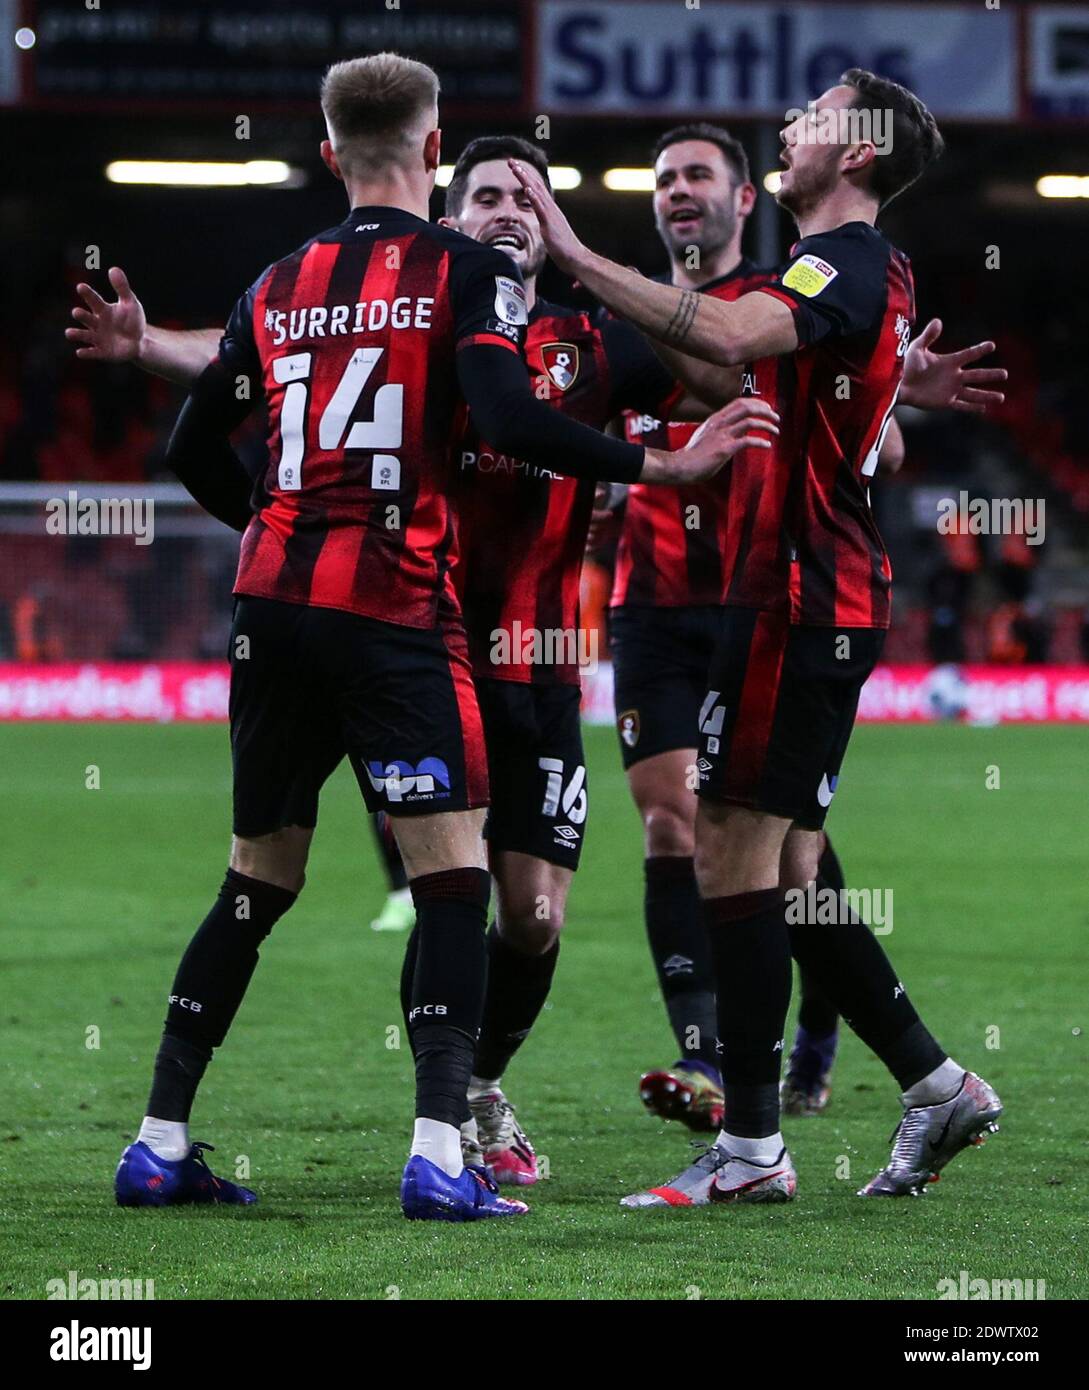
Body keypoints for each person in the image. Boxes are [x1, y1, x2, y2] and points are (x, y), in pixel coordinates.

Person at [92, 53, 774, 1221]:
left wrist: (283, 521)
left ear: (324, 153)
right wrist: (660, 463)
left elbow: (195, 445)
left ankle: (158, 1139)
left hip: (284, 608)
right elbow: (506, 412)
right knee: (454, 881)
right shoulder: (463, 280)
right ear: (434, 154)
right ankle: (441, 1149)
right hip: (404, 619)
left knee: (264, 877)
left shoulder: (283, 276)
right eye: (487, 193)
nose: (505, 214)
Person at [512, 69, 1004, 1207]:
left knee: (731, 847)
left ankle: (750, 1145)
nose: (791, 127)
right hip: (801, 595)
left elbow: (731, 326)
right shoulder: (840, 272)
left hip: (797, 595)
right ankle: (932, 1085)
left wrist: (579, 260)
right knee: (782, 866)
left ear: (864, 151)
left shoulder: (844, 260)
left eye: (815, 114)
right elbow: (727, 361)